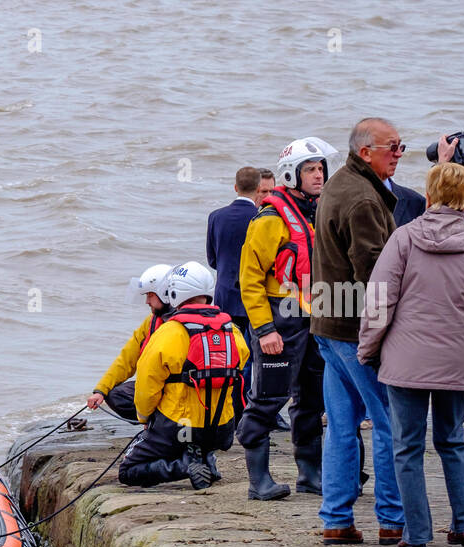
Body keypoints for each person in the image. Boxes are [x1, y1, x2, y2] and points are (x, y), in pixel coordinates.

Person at [358, 163, 464, 547]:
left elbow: (379, 302)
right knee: (454, 441)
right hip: (459, 360)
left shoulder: (403, 239)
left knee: (407, 446)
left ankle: (417, 533)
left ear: (430, 195)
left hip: (405, 361)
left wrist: (368, 349)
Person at [311, 117, 406, 544]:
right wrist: (392, 327)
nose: (399, 154)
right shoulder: (365, 199)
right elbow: (374, 274)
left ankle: (336, 520)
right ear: (365, 151)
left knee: (342, 425)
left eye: (402, 146)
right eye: (393, 147)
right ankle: (391, 520)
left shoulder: (339, 183)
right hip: (353, 329)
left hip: (328, 321)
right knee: (388, 423)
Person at [236, 137, 335, 501]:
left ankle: (311, 474)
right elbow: (249, 280)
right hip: (280, 320)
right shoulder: (269, 219)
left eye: (321, 168)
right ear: (292, 174)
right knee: (267, 398)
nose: (318, 175)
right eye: (310, 169)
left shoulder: (318, 213)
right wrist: (264, 330)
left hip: (314, 319)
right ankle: (258, 480)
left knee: (312, 401)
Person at [119, 262, 247, 490]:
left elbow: (147, 387)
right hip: (221, 429)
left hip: (179, 426)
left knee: (128, 471)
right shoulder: (231, 330)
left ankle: (185, 465)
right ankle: (204, 457)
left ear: (175, 292)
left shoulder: (169, 332)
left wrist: (144, 418)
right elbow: (242, 362)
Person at [86, 263, 172, 422]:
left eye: (150, 295)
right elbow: (126, 360)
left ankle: (160, 426)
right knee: (115, 395)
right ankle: (156, 424)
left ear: (166, 293)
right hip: (160, 388)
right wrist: (101, 391)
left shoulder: (183, 327)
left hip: (180, 391)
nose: (147, 301)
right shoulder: (151, 323)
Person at [206, 167, 260, 407]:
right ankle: (246, 401)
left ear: (235, 187)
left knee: (229, 352)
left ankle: (228, 401)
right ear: (259, 190)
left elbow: (212, 260)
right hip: (254, 297)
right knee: (253, 354)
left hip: (225, 294)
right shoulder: (261, 217)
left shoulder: (216, 216)